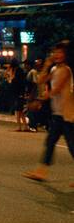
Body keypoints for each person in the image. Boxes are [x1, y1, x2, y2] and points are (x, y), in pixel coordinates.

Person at [24, 41, 74, 183]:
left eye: (60, 53)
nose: (57, 55)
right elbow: (40, 80)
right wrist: (47, 64)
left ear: (65, 55)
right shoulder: (54, 69)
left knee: (71, 145)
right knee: (51, 141)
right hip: (58, 113)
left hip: (67, 114)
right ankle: (41, 172)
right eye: (55, 52)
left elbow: (56, 89)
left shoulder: (66, 70)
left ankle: (41, 172)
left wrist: (39, 101)